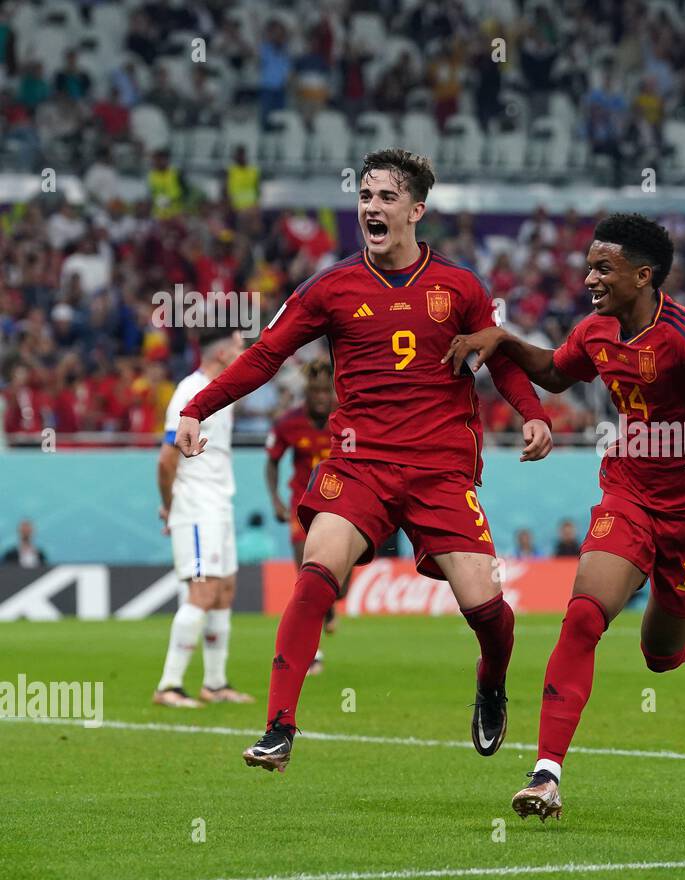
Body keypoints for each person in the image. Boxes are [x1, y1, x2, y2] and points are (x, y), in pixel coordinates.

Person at [173, 148, 554, 772]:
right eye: (365, 197)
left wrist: (532, 413)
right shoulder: (330, 287)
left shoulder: (460, 288)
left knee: (487, 609)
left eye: (385, 198)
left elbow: (502, 356)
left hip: (440, 470)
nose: (371, 208)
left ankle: (490, 683)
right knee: (317, 567)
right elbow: (267, 354)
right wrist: (200, 407)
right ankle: (279, 726)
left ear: (416, 210)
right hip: (359, 464)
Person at [445, 212, 685, 821]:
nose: (590, 276)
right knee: (582, 617)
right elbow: (553, 371)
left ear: (643, 274)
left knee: (661, 654)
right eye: (588, 265)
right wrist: (502, 341)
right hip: (629, 494)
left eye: (604, 267)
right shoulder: (597, 329)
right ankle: (546, 774)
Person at [156, 327, 254, 708]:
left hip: (218, 504)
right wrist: (170, 504)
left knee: (224, 589)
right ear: (221, 352)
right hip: (195, 506)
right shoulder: (188, 393)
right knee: (203, 590)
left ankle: (214, 683)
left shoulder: (221, 393)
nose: (243, 351)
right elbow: (166, 459)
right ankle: (169, 685)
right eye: (238, 346)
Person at [265, 359, 340, 675]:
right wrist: (277, 501)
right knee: (308, 573)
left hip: (341, 505)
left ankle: (331, 604)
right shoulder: (288, 424)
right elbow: (271, 462)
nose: (322, 397)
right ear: (307, 393)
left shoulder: (347, 417)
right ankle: (313, 652)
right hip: (302, 506)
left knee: (338, 584)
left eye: (327, 391)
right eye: (316, 391)